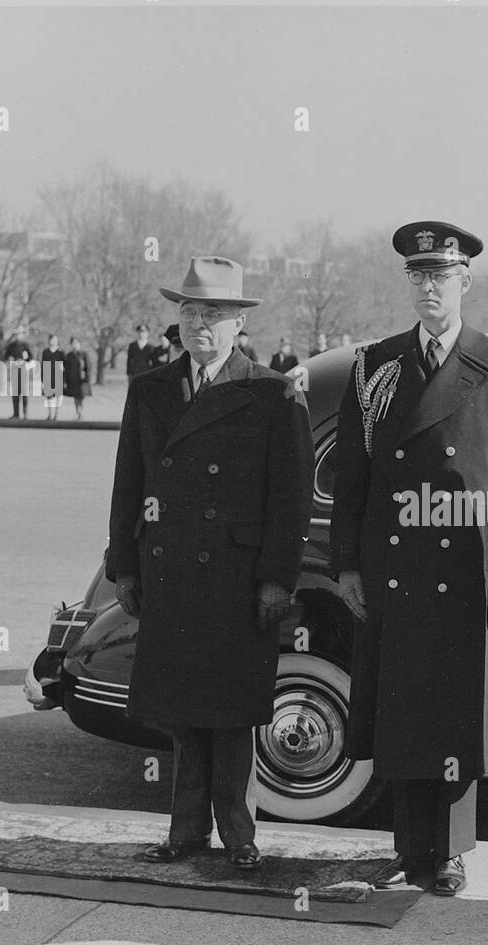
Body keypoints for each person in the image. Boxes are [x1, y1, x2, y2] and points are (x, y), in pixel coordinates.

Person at [330, 221, 488, 897]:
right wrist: (348, 567)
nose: (428, 288)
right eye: (417, 276)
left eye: (440, 276)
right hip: (395, 571)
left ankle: (447, 852)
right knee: (404, 716)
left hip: (466, 571)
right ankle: (409, 849)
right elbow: (353, 479)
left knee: (455, 718)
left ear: (465, 280)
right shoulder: (375, 364)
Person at [106, 256, 313, 871]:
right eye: (191, 312)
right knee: (180, 712)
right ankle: (185, 832)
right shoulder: (149, 389)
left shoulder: (272, 393)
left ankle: (240, 837)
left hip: (236, 578)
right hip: (169, 571)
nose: (200, 324)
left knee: (230, 713)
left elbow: (292, 498)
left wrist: (278, 577)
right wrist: (124, 564)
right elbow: (128, 482)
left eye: (214, 314)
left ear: (238, 324)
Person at [3, 326, 34, 420]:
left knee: (24, 393)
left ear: (22, 335)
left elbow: (31, 357)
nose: (17, 336)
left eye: (19, 334)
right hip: (14, 369)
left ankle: (25, 414)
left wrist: (26, 358)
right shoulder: (11, 346)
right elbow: (5, 357)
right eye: (16, 334)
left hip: (23, 369)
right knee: (15, 393)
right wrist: (9, 359)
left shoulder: (25, 345)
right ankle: (16, 414)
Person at [63, 336, 90, 421]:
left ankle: (81, 413)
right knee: (75, 397)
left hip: (82, 379)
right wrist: (65, 380)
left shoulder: (84, 354)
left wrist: (87, 378)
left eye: (76, 343)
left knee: (81, 397)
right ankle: (77, 413)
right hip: (72, 379)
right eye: (73, 343)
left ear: (79, 344)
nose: (75, 345)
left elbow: (88, 367)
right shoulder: (69, 355)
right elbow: (66, 368)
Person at [40, 334, 65, 421]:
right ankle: (50, 414)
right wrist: (42, 379)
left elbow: (64, 366)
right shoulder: (45, 352)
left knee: (58, 396)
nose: (53, 341)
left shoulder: (61, 353)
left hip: (58, 376)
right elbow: (43, 365)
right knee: (48, 397)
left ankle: (56, 415)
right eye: (51, 339)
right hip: (48, 376)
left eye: (54, 339)